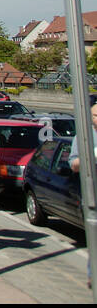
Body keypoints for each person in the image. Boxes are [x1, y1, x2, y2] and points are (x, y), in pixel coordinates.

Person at [69, 101, 97, 288]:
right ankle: (93, 277)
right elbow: (73, 165)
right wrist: (91, 155)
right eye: (94, 115)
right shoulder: (84, 137)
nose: (96, 119)